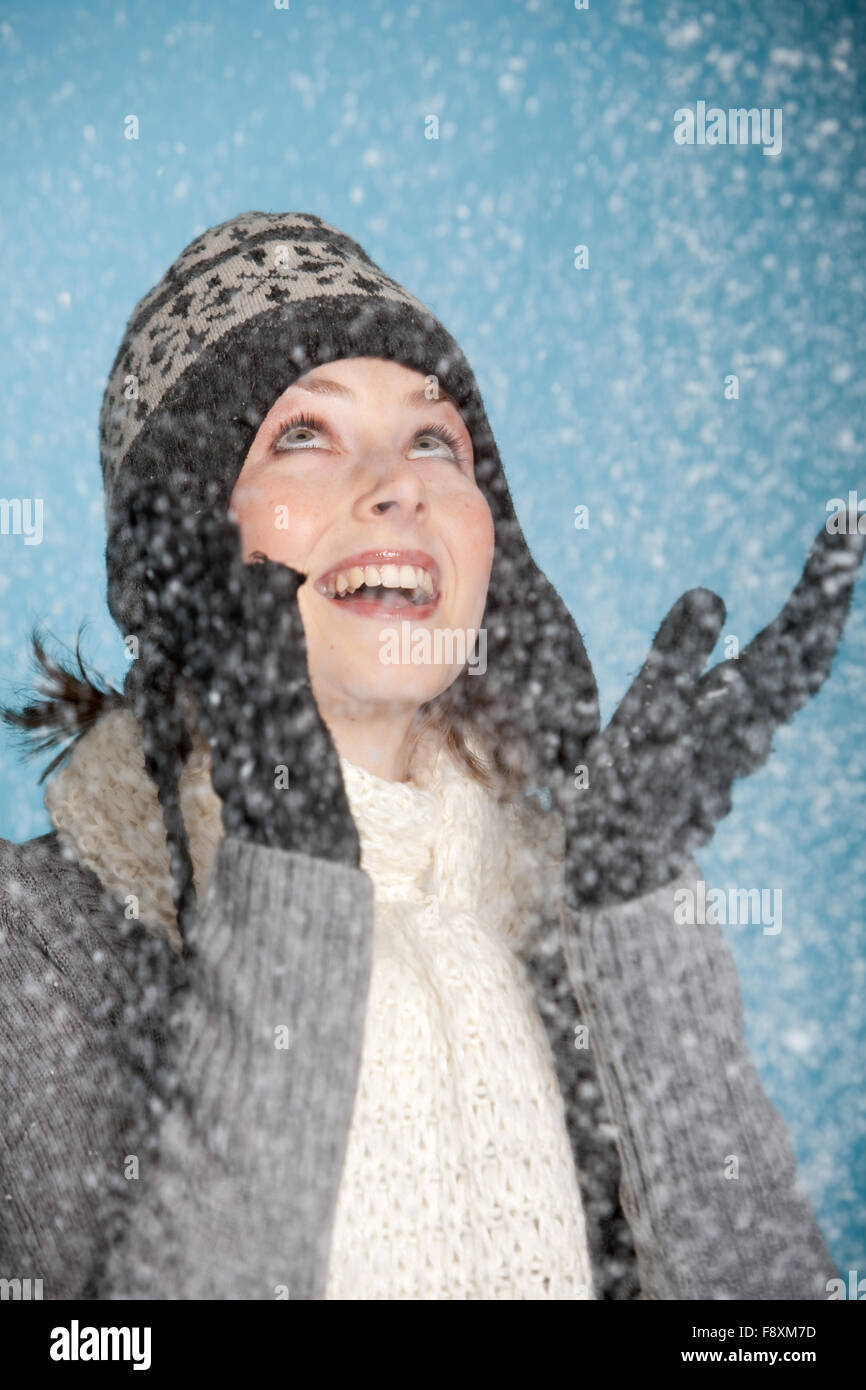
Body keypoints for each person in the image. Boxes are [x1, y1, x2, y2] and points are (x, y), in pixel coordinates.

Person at [0, 211, 860, 1301]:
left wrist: (640, 925)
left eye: (434, 441)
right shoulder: (33, 947)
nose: (398, 482)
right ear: (183, 543)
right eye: (304, 434)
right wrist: (291, 882)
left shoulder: (567, 930)